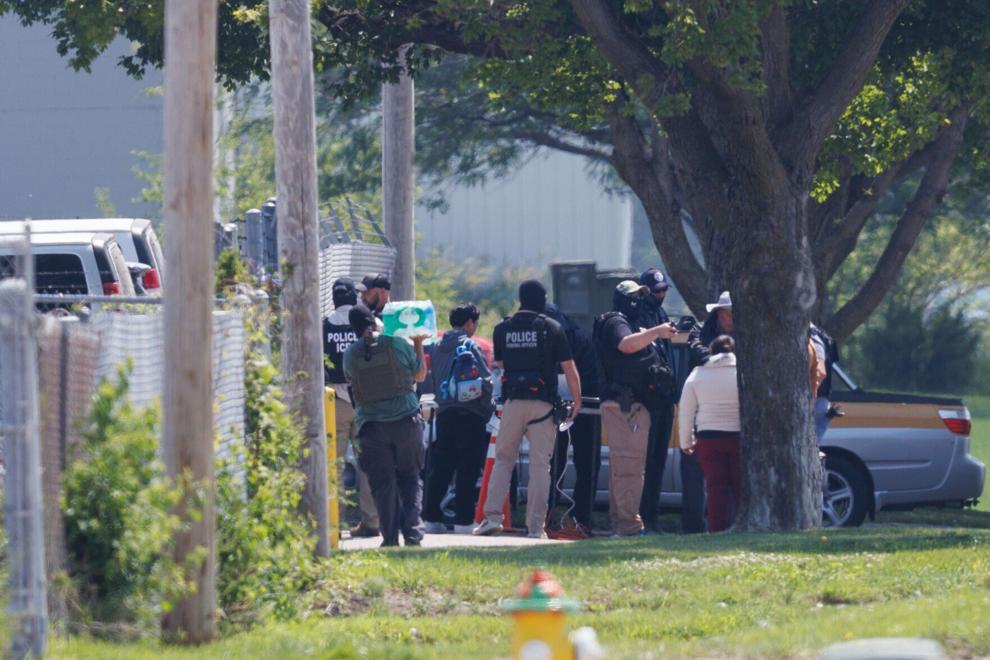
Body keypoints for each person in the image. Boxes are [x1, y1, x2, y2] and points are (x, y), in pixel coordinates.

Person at [474, 280, 581, 539]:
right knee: (539, 466)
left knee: (503, 460)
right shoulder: (552, 328)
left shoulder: (502, 329)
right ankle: (535, 528)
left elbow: (500, 363)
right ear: (542, 300)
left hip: (512, 403)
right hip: (543, 405)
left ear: (521, 299)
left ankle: (491, 518)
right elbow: (569, 367)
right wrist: (576, 401)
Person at [594, 280, 678, 536]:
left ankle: (622, 523)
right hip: (623, 404)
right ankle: (629, 526)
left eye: (641, 296)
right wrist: (655, 332)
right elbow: (626, 345)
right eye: (634, 296)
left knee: (626, 468)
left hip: (635, 405)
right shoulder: (615, 322)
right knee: (629, 468)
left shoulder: (631, 322)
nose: (638, 301)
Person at [343, 304, 429, 547]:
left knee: (383, 483)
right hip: (406, 423)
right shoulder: (397, 344)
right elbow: (420, 375)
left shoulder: (350, 354)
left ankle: (390, 539)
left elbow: (352, 381)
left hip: (371, 428)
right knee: (410, 478)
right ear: (374, 321)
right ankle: (412, 534)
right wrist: (419, 344)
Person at [423, 303, 495, 534]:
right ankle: (464, 521)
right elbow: (486, 381)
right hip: (470, 414)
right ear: (469, 323)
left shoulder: (435, 346)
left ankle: (431, 519)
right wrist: (487, 409)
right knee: (467, 469)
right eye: (475, 323)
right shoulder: (470, 345)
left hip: (444, 413)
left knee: (442, 467)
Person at [323, 277, 381, 538]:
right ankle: (371, 521)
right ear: (354, 298)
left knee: (332, 465)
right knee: (369, 464)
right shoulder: (372, 323)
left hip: (334, 401)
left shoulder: (324, 326)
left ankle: (334, 523)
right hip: (368, 401)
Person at [544, 303, 600, 536]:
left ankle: (549, 518)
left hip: (575, 405)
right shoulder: (579, 335)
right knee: (585, 465)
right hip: (587, 405)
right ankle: (580, 520)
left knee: (553, 465)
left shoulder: (554, 336)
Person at [678, 335, 740, 533]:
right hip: (738, 436)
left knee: (715, 486)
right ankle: (742, 525)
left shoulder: (698, 374)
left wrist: (685, 440)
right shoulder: (744, 372)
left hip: (708, 437)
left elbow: (686, 411)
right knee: (740, 486)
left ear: (711, 351)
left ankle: (715, 529)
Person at [636, 268, 677, 533]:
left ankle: (652, 516)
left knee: (659, 460)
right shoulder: (638, 313)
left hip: (664, 396)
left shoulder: (660, 313)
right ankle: (640, 517)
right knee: (645, 460)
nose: (661, 295)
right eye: (657, 291)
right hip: (647, 397)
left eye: (664, 290)